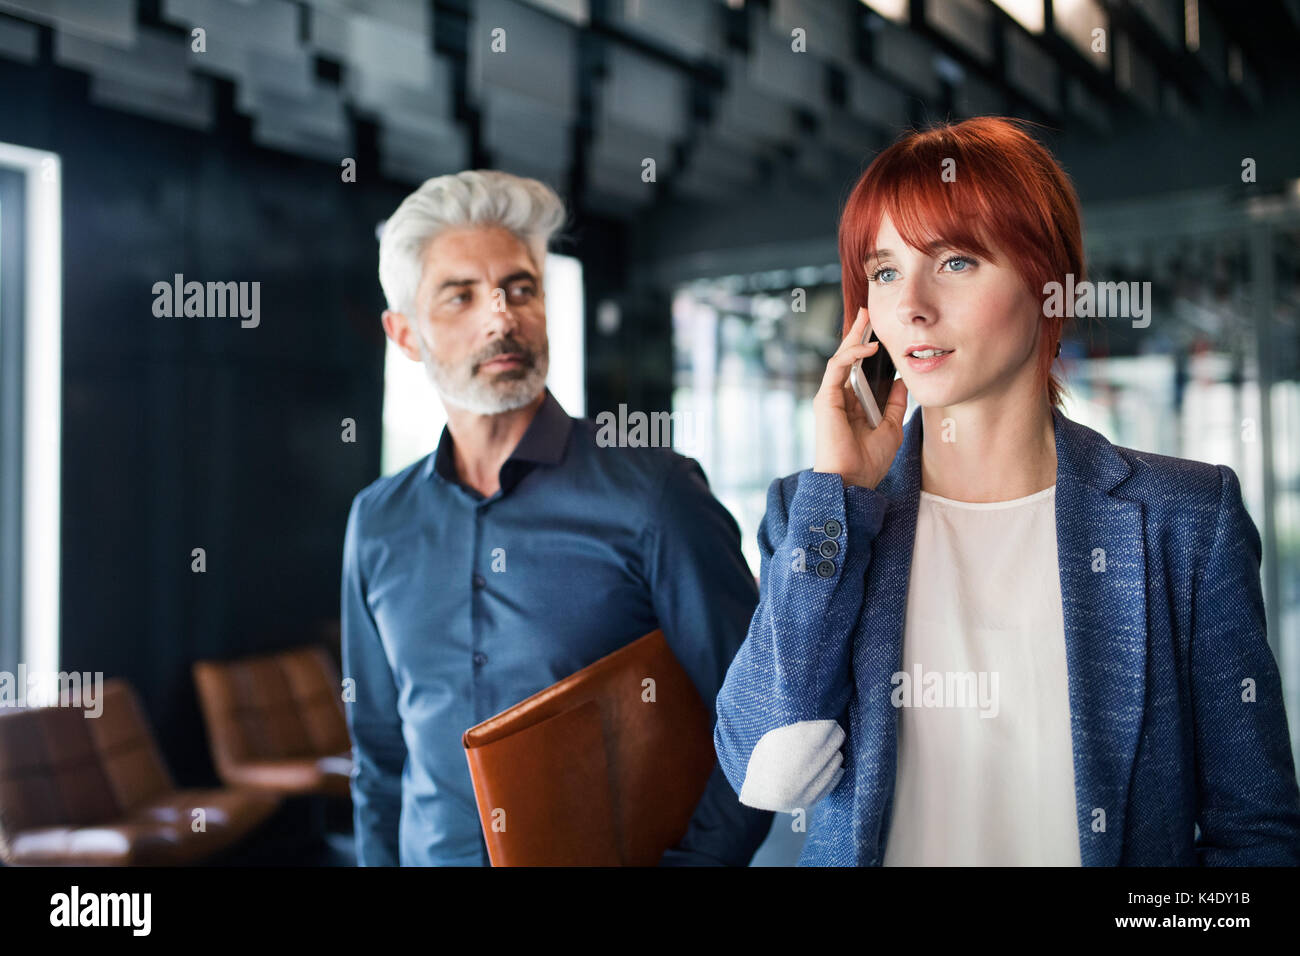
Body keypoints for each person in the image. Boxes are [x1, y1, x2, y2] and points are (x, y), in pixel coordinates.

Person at [714, 117, 1300, 866]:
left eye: (955, 262)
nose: (911, 306)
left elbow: (1257, 837)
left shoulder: (1182, 519)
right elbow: (768, 770)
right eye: (885, 271)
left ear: (1048, 282)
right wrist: (841, 495)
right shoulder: (816, 515)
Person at [342, 169, 772, 866]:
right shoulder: (378, 521)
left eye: (521, 288)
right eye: (461, 296)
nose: (501, 317)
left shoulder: (655, 493)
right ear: (406, 335)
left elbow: (758, 707)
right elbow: (381, 748)